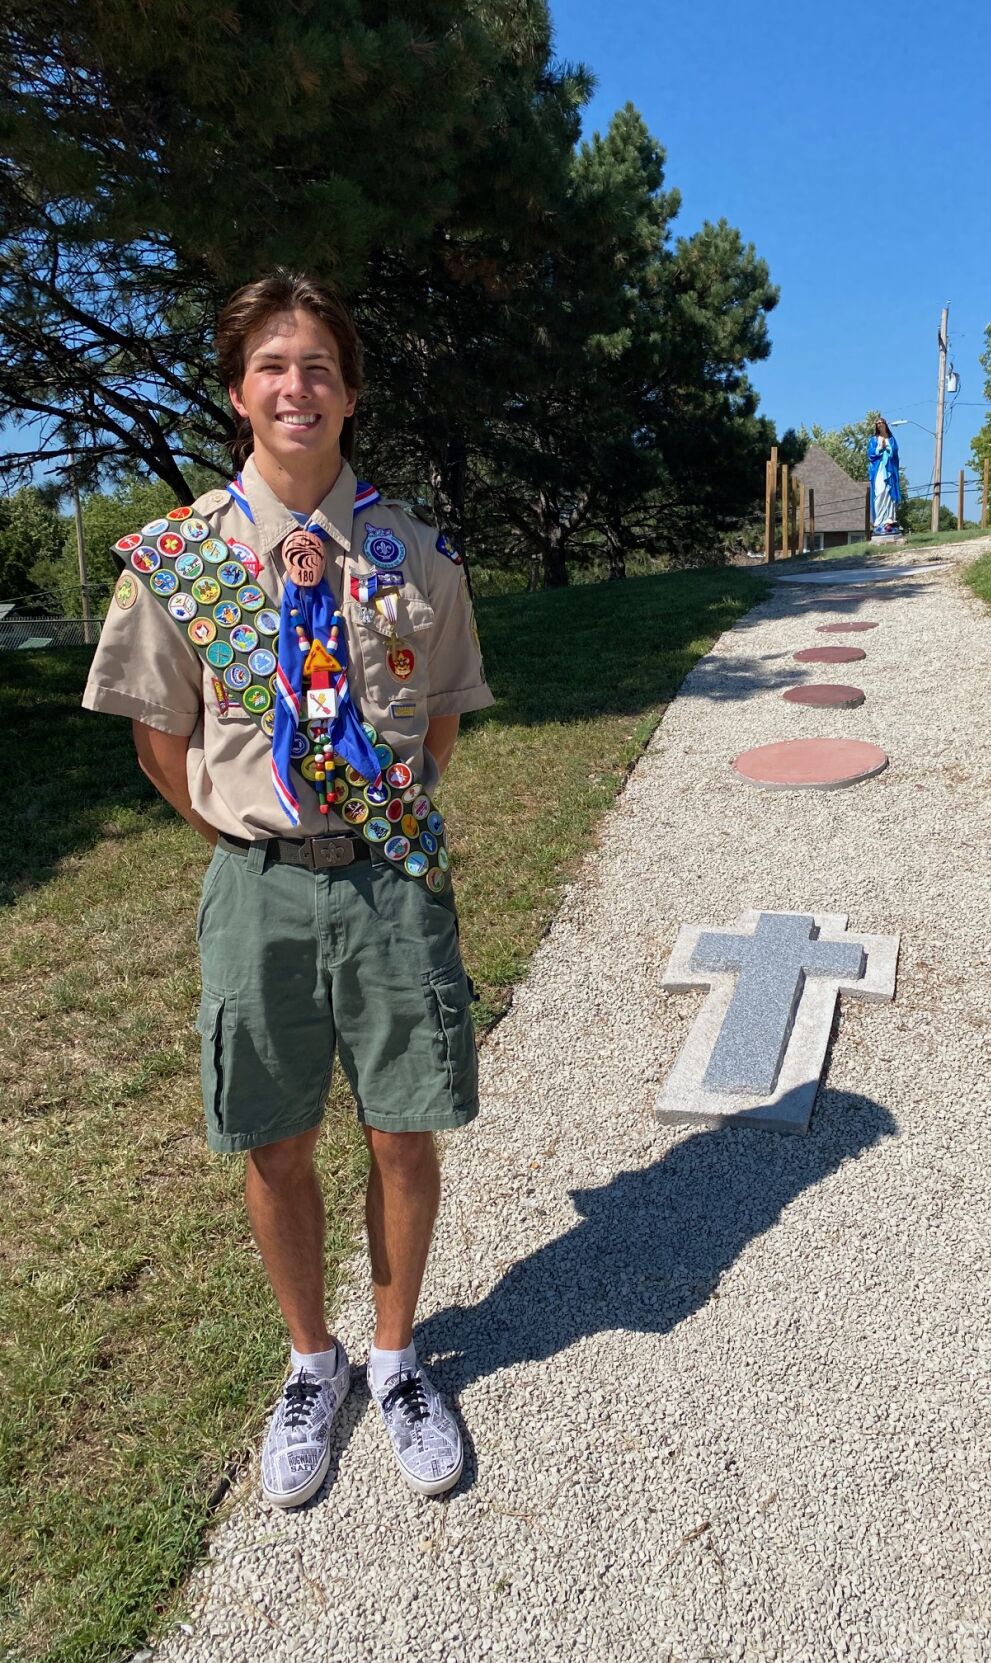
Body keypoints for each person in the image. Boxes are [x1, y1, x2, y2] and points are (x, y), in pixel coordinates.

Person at [82, 271, 494, 1507]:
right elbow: (162, 739)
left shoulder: (416, 550)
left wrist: (376, 813)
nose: (296, 385)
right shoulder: (182, 559)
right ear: (236, 395)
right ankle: (311, 1363)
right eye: (272, 365)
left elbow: (439, 725)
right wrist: (238, 822)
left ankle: (396, 1356)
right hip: (257, 886)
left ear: (350, 392)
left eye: (317, 364)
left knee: (402, 1128)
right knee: (274, 1141)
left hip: (389, 883)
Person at [867, 417, 901, 535]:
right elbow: (870, 454)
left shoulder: (891, 439)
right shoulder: (874, 439)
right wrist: (879, 448)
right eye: (877, 424)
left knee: (889, 492)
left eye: (881, 423)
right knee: (880, 492)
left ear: (885, 425)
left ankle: (889, 520)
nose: (880, 425)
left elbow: (895, 452)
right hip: (879, 469)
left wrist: (888, 448)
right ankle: (879, 521)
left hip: (890, 469)